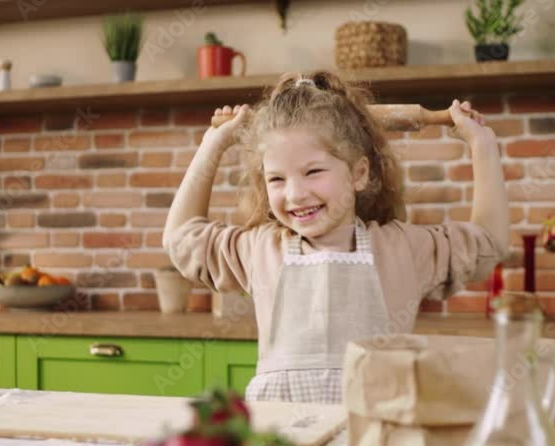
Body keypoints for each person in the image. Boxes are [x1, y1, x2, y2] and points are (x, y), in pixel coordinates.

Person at [163, 71, 509, 404]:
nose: (295, 194)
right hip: (283, 440)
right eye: (276, 179)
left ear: (358, 174)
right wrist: (214, 145)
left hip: (374, 433)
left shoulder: (401, 248)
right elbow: (180, 238)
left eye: (313, 172)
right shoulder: (260, 250)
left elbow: (488, 243)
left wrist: (482, 145)